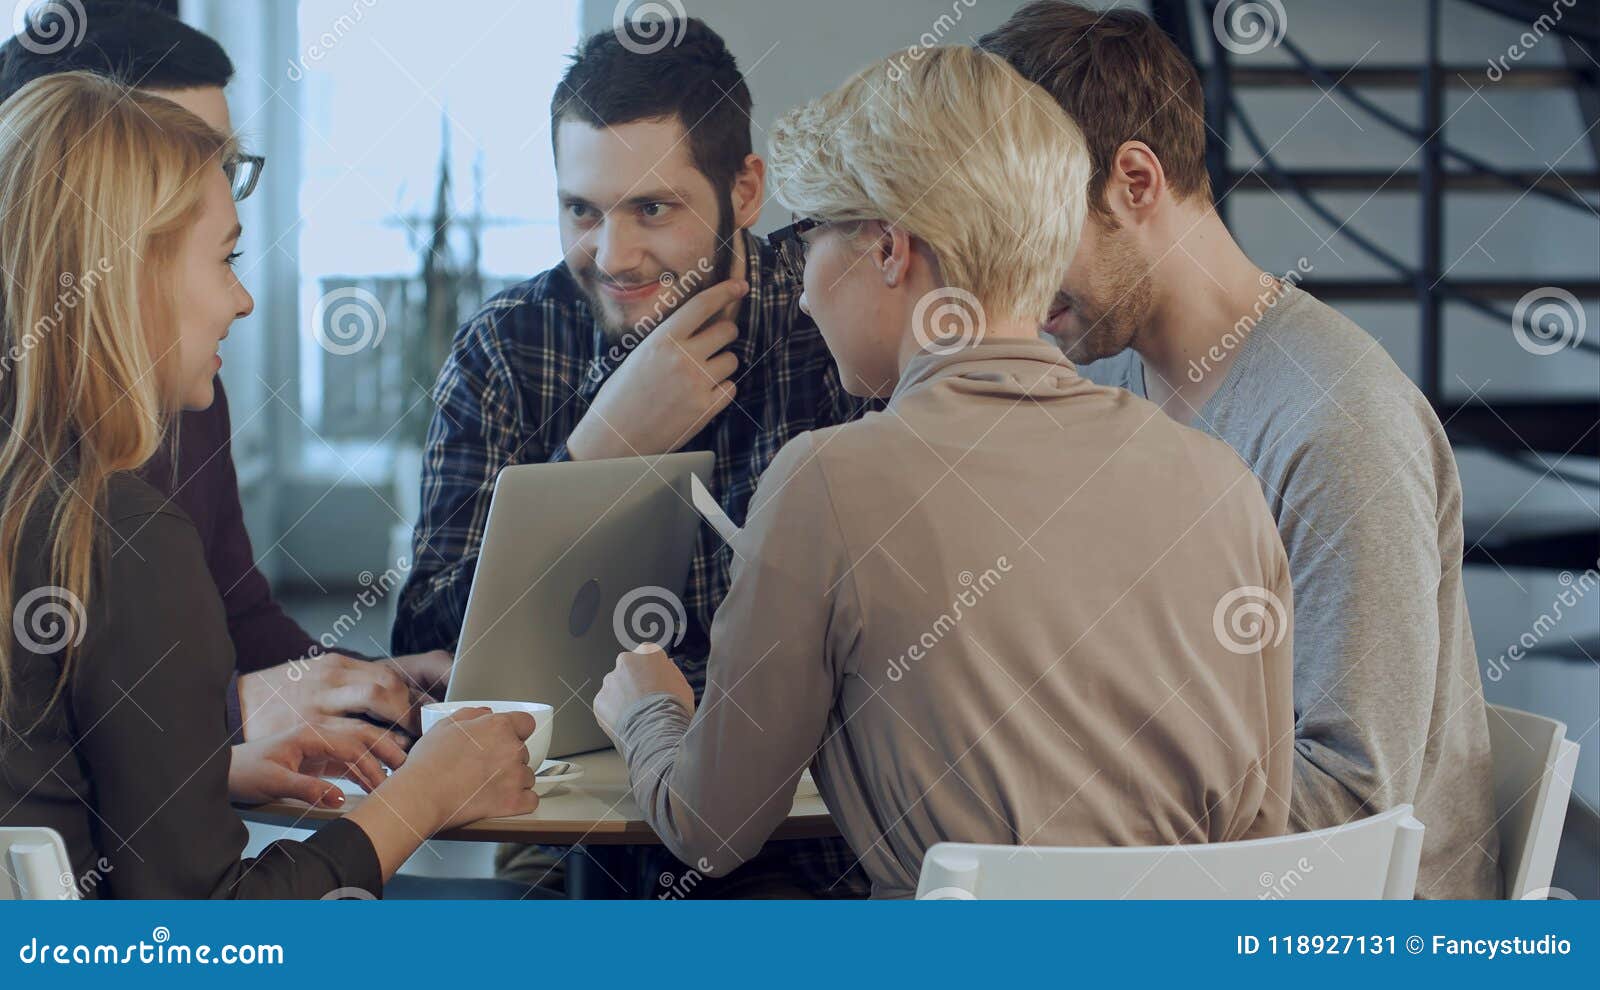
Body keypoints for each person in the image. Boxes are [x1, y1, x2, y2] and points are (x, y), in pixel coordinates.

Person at [592, 45, 1296, 899]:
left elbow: (713, 829)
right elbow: (1261, 829)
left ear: (890, 248)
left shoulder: (827, 481)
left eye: (812, 236)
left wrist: (647, 712)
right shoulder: (1220, 481)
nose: (806, 292)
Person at [978, 1, 1500, 898]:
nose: (1004, 274)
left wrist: (1074, 789)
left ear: (1134, 182)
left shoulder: (1336, 423)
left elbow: (1354, 805)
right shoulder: (1114, 387)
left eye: (1024, 224)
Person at [0, 72, 541, 899]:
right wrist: (424, 794)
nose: (243, 301)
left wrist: (206, 770)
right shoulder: (121, 537)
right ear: (134, 279)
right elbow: (211, 942)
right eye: (226, 260)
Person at [392, 18, 871, 897]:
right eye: (583, 210)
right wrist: (595, 456)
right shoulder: (508, 345)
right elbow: (427, 651)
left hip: (806, 834)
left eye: (653, 207)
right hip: (574, 835)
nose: (613, 257)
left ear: (747, 188)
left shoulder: (837, 318)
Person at [0, 0, 450, 763]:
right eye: (187, 159)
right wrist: (232, 709)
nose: (220, 195)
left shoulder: (191, 394)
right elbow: (45, 747)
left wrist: (361, 686)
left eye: (226, 164)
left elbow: (238, 615)